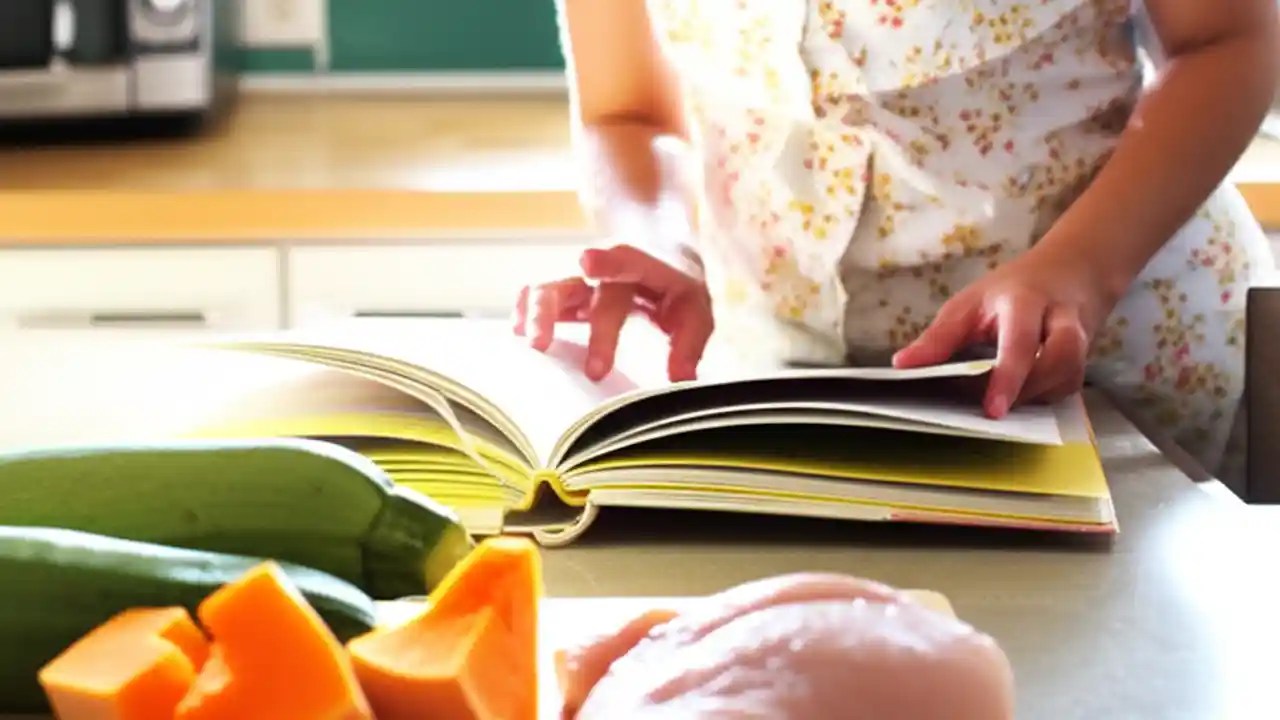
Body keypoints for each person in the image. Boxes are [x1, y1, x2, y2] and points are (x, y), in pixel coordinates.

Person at [513, 0, 1279, 485]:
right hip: (783, 392)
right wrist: (661, 245)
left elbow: (1228, 38)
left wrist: (1079, 268)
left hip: (1110, 366)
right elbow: (629, 113)